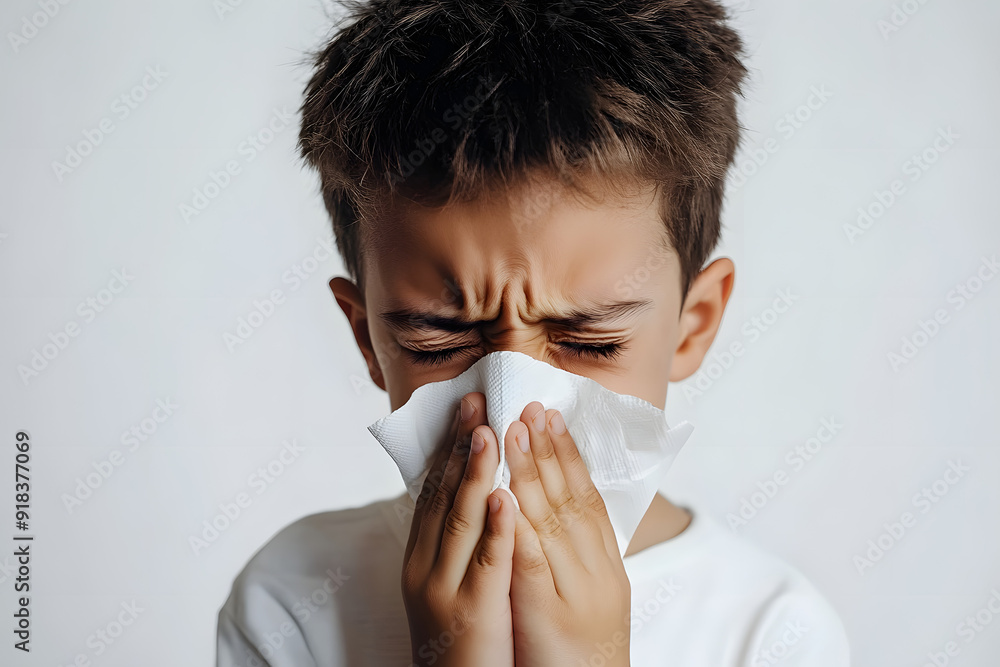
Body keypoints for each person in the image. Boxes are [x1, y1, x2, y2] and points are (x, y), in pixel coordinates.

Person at [217, 1, 850, 664]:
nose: (513, 406)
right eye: (437, 341)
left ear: (692, 327)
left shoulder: (774, 633)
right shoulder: (291, 601)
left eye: (591, 342)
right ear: (369, 338)